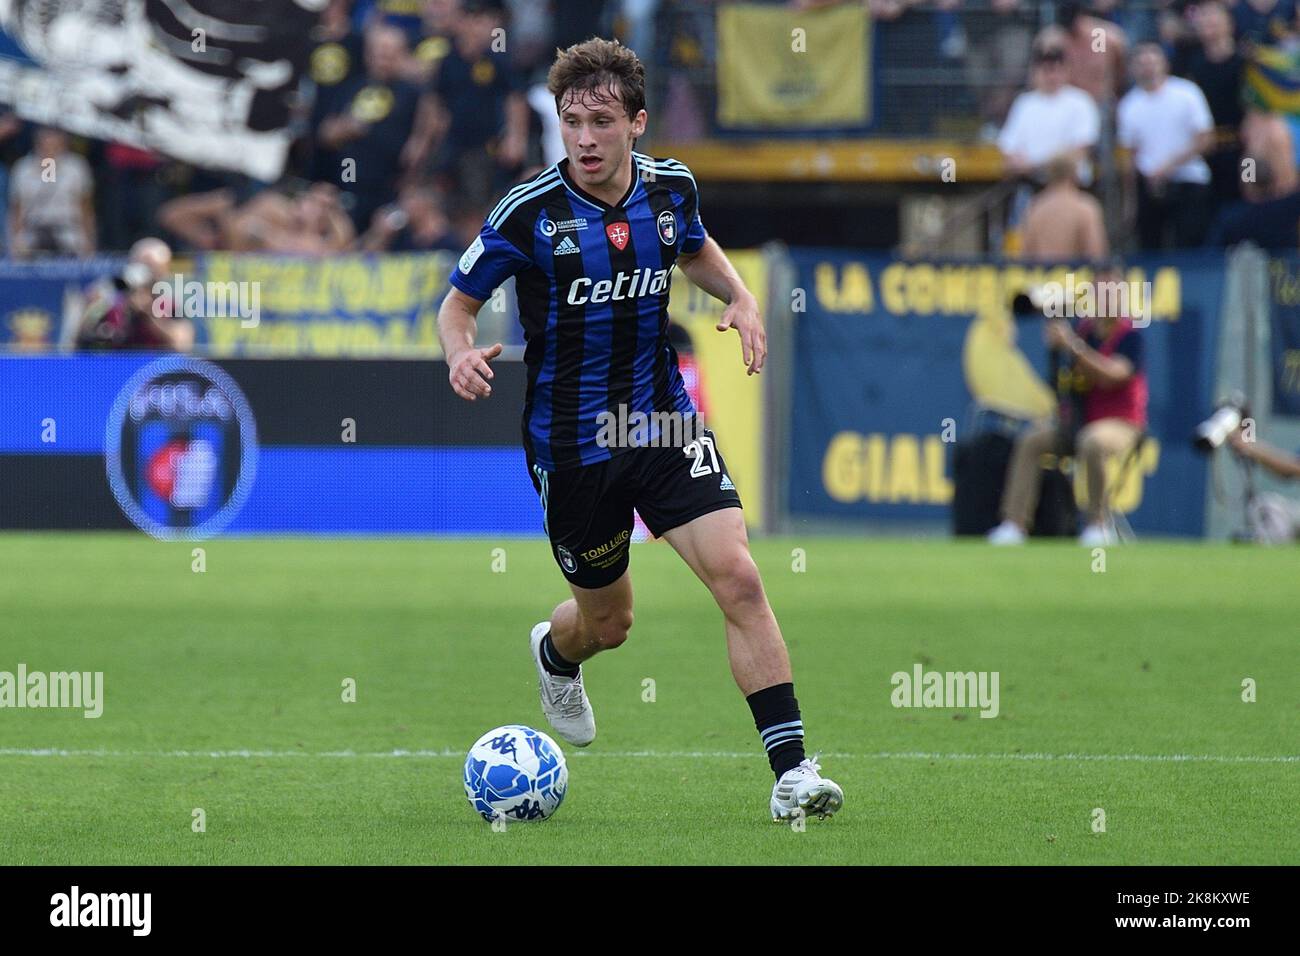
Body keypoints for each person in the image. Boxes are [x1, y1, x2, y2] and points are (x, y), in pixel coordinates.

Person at [436, 37, 843, 822]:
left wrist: (742, 297)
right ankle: (557, 654)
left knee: (741, 579)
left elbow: (692, 247)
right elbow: (456, 304)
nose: (583, 139)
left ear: (637, 124)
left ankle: (792, 772)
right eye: (570, 122)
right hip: (572, 447)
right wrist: (459, 355)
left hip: (658, 421)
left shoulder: (671, 188)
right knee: (609, 623)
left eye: (600, 121)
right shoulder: (528, 212)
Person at [989, 264, 1148, 547]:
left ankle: (1097, 526)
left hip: (1122, 423)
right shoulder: (1083, 330)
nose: (1105, 298)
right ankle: (1013, 525)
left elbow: (1114, 376)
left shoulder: (1130, 336)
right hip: (1079, 421)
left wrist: (1072, 347)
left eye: (1112, 291)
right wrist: (1057, 348)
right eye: (1100, 291)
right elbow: (1063, 385)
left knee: (1093, 442)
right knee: (1032, 441)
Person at [1118, 43, 1215, 248]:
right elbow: (1129, 156)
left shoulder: (1187, 93)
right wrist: (1130, 201)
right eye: (1142, 63)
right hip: (1150, 186)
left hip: (1189, 180)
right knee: (1150, 246)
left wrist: (1170, 166)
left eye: (1153, 62)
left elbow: (1205, 139)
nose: (1148, 68)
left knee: (1189, 245)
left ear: (1165, 64)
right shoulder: (1128, 106)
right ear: (1133, 68)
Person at [75, 238, 194, 351]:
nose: (147, 274)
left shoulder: (169, 305)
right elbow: (81, 335)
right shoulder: (113, 302)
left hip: (157, 368)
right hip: (118, 367)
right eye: (142, 266)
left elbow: (181, 344)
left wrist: (148, 315)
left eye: (153, 268)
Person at [7, 126, 95, 258]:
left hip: (68, 230)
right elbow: (16, 209)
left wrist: (89, 241)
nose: (50, 145)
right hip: (33, 231)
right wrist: (14, 242)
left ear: (64, 143)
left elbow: (86, 207)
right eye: (46, 141)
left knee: (79, 247)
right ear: (37, 142)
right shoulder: (22, 169)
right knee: (22, 247)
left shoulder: (77, 167)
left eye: (55, 142)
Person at [1020, 155, 1109, 262]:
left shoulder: (1036, 207)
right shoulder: (1084, 207)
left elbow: (1026, 253)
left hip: (1042, 275)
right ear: (1075, 174)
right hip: (1074, 276)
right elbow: (1096, 253)